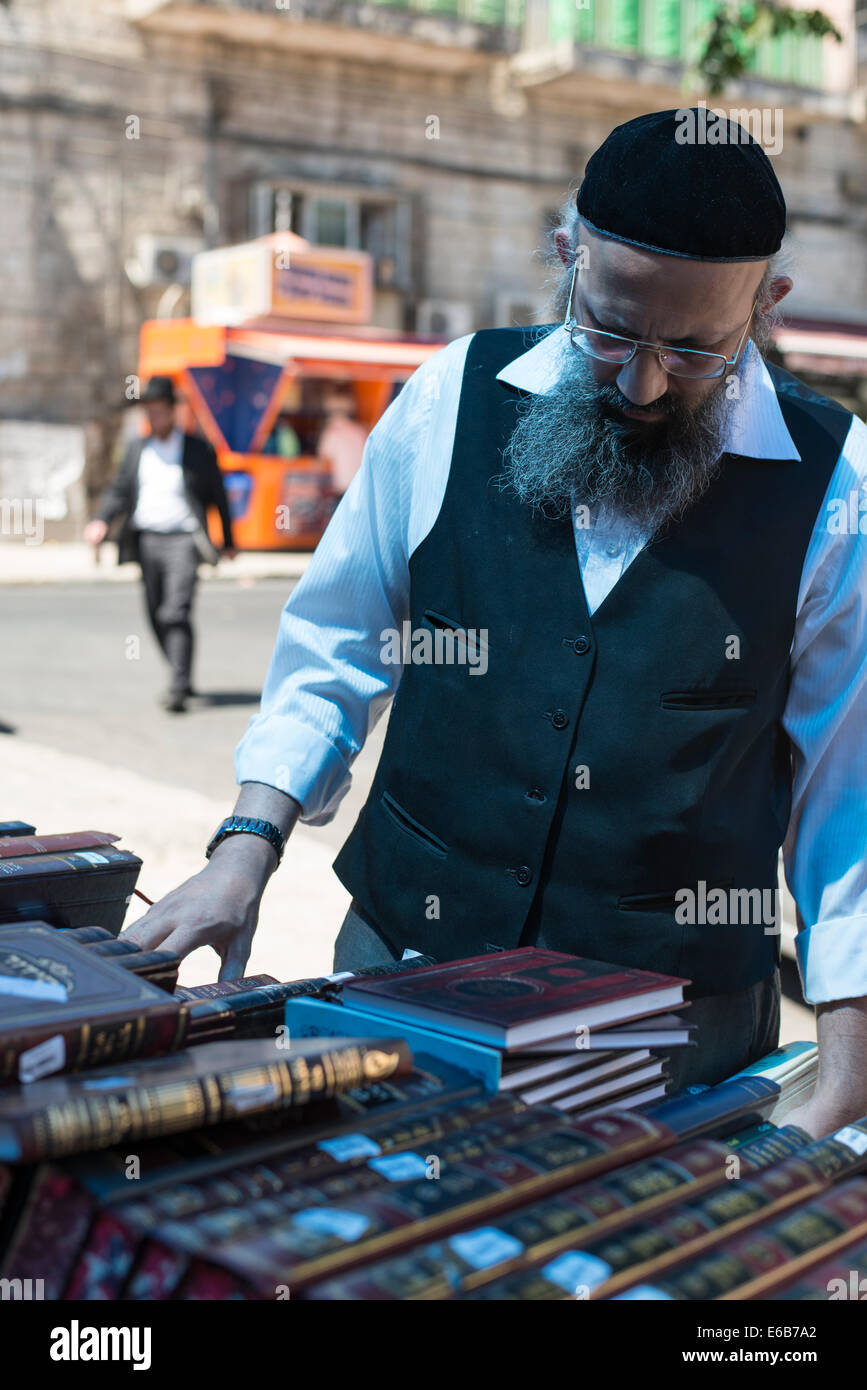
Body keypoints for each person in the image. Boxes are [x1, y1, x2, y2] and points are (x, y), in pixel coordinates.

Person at [125, 111, 867, 1137]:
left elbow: (849, 798)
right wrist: (247, 845)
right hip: (406, 983)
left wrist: (847, 1071)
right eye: (609, 329)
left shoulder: (835, 484)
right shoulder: (449, 396)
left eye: (695, 350)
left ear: (767, 302)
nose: (642, 384)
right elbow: (338, 641)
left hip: (668, 1042)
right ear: (569, 260)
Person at [84, 376, 236, 712]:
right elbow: (120, 490)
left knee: (175, 611)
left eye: (159, 411)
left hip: (184, 540)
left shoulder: (198, 449)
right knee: (155, 614)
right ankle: (181, 670)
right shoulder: (138, 448)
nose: (154, 418)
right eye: (148, 412)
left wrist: (228, 539)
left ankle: (178, 688)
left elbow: (218, 495)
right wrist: (101, 520)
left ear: (173, 411)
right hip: (146, 541)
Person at [315, 382, 368, 495]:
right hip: (359, 486)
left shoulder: (332, 433)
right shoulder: (360, 431)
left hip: (340, 487)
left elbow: (323, 460)